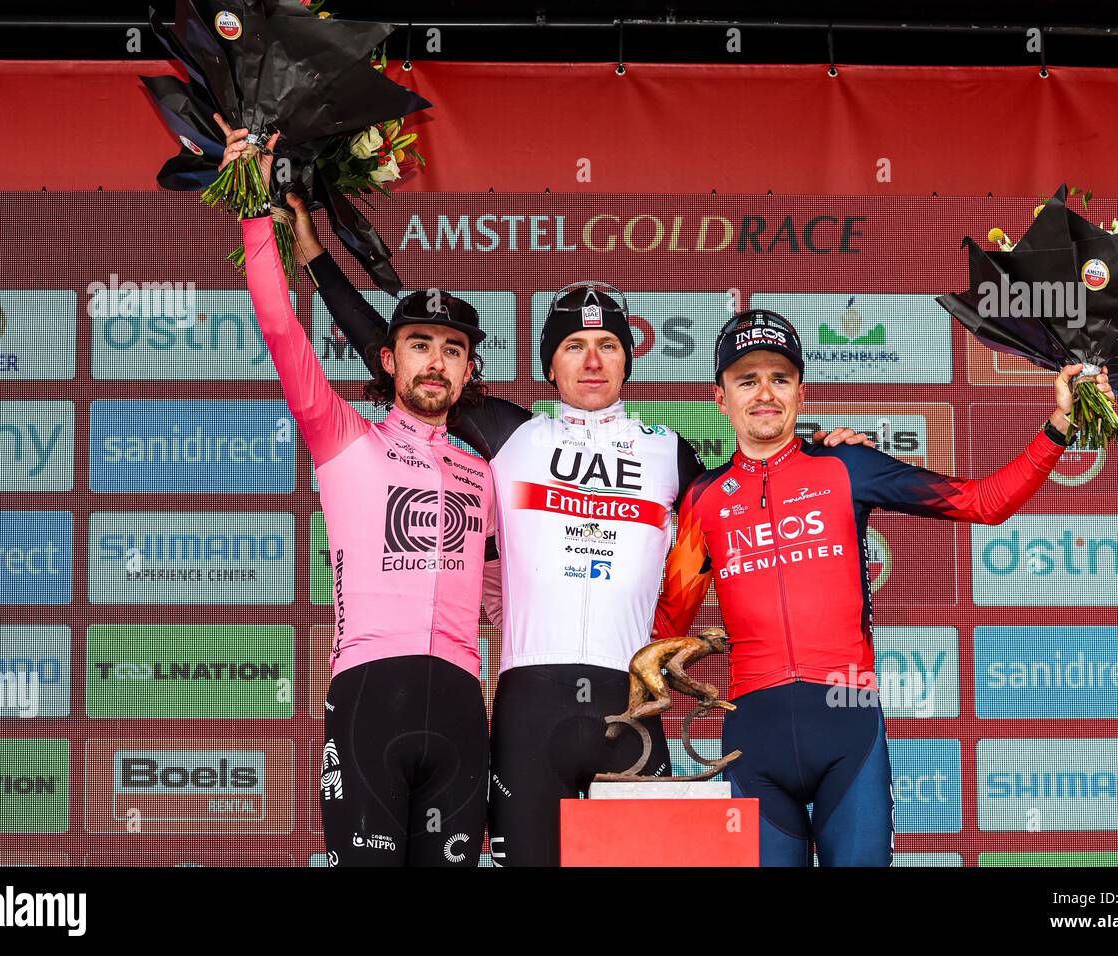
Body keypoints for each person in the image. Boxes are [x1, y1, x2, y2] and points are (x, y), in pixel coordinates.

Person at [292, 201, 871, 865]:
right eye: (574, 345)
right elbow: (392, 350)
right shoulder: (508, 435)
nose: (592, 361)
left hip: (633, 710)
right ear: (551, 363)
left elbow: (754, 494)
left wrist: (828, 456)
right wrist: (315, 257)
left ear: (628, 361)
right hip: (528, 714)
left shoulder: (669, 453)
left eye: (608, 345)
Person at [652, 308, 1116, 867]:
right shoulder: (704, 500)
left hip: (845, 721)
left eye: (779, 378)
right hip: (752, 734)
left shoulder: (847, 464)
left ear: (801, 390)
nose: (765, 394)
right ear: (720, 398)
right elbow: (666, 629)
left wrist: (1060, 427)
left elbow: (984, 503)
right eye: (746, 380)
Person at [220, 121, 498, 867]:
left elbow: (510, 585)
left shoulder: (486, 470)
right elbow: (280, 326)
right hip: (372, 698)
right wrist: (255, 203)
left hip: (464, 711)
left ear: (469, 372)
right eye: (420, 345)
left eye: (453, 350)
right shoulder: (343, 436)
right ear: (387, 357)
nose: (436, 362)